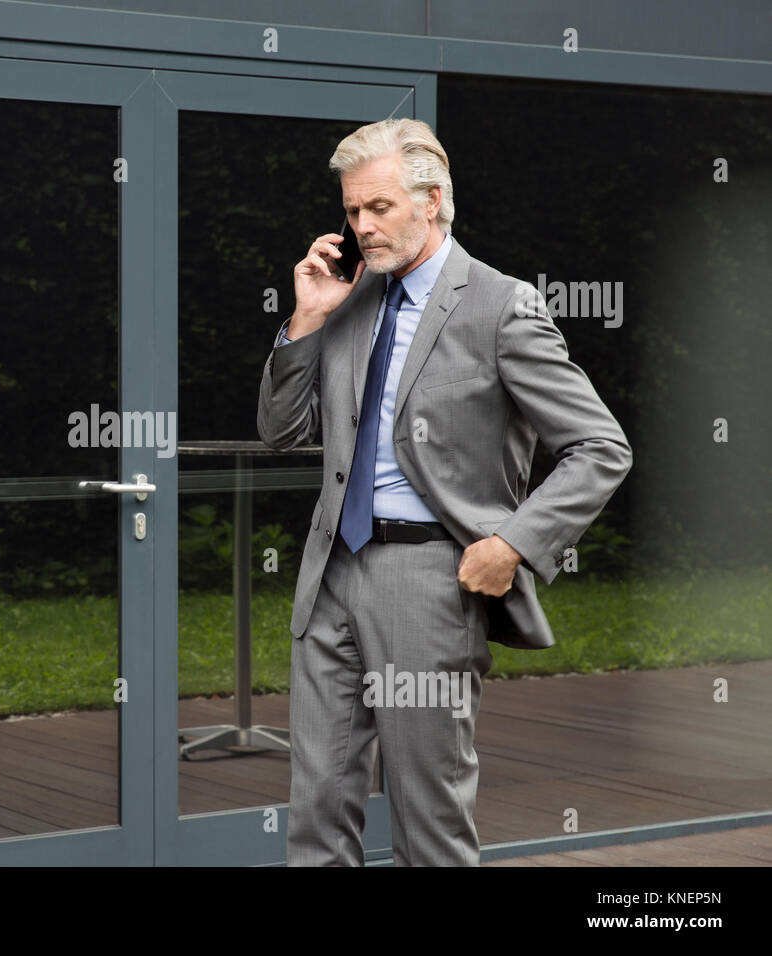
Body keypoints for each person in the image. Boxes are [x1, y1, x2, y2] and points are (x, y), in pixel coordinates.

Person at [257, 119, 631, 866]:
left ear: (431, 202)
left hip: (429, 583)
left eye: (379, 208)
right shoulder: (350, 299)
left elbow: (600, 447)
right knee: (317, 815)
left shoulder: (500, 306)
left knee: (428, 821)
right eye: (353, 211)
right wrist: (305, 320)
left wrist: (515, 543)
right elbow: (279, 431)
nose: (361, 226)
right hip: (330, 574)